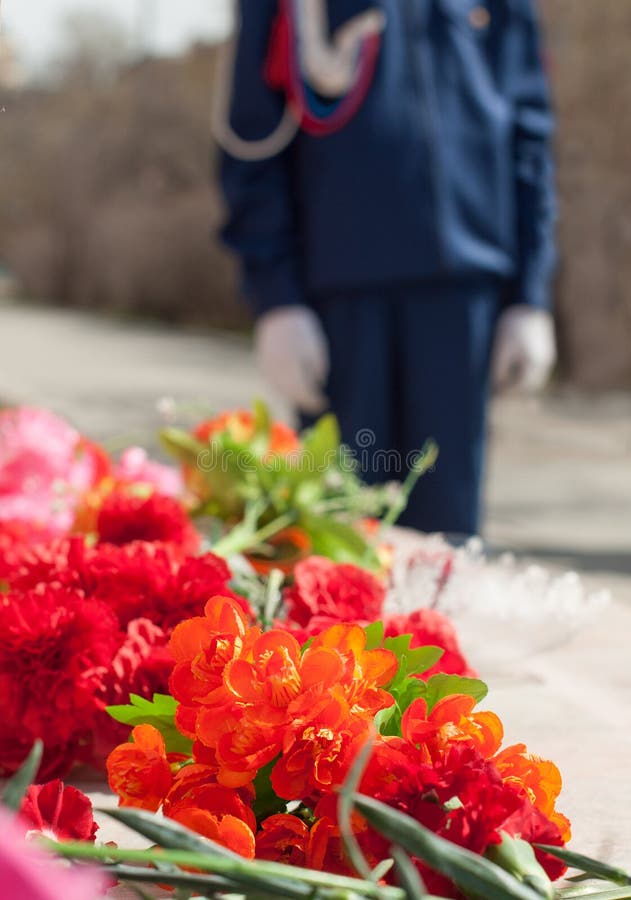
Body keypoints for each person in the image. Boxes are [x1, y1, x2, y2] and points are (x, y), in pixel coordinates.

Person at [218, 0, 557, 535]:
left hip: (464, 297)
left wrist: (529, 296)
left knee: (447, 551)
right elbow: (251, 145)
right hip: (339, 305)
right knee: (341, 540)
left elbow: (529, 138)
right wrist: (276, 298)